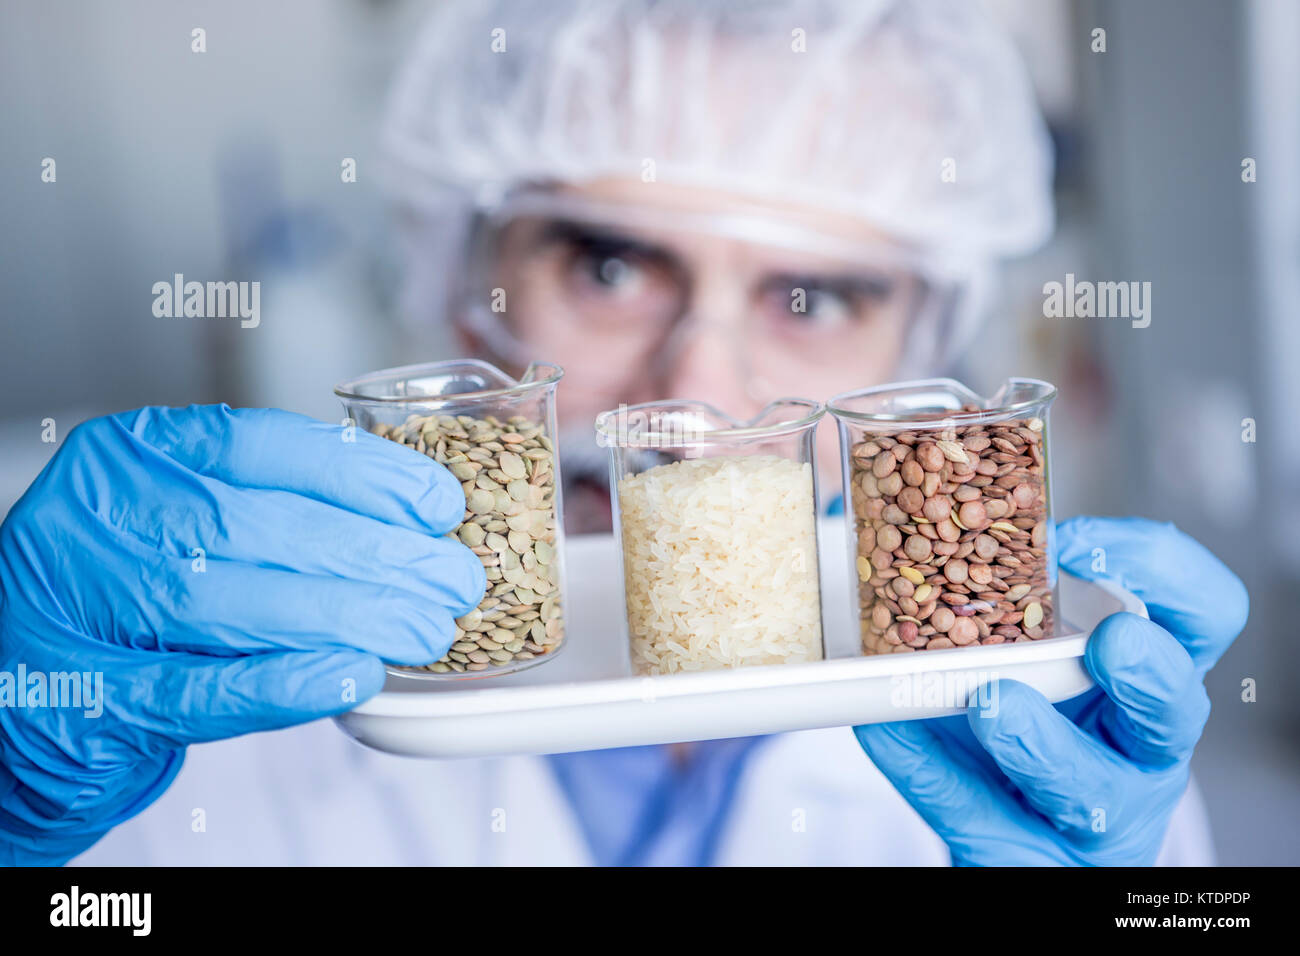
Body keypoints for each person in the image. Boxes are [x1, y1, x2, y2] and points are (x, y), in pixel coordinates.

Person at [0, 0, 1246, 867]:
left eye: (809, 297)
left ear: (921, 353)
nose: (697, 396)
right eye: (608, 265)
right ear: (455, 282)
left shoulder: (1057, 726)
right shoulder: (152, 634)